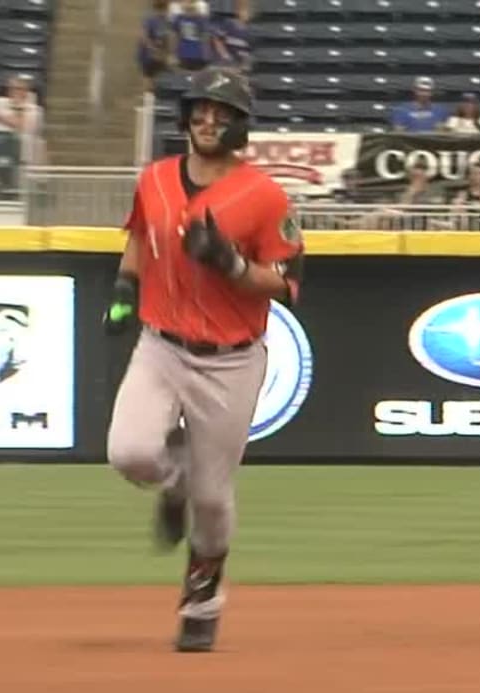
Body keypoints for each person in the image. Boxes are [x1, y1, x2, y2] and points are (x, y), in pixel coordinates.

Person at [102, 68, 303, 652]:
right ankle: (175, 483)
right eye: (201, 109)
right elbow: (139, 238)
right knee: (130, 452)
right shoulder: (156, 178)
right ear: (186, 116)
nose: (209, 120)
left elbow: (287, 281)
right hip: (161, 345)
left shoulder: (265, 196)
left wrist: (232, 265)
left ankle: (202, 606)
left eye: (222, 112)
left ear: (240, 124)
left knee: (214, 500)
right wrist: (124, 289)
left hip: (230, 360)